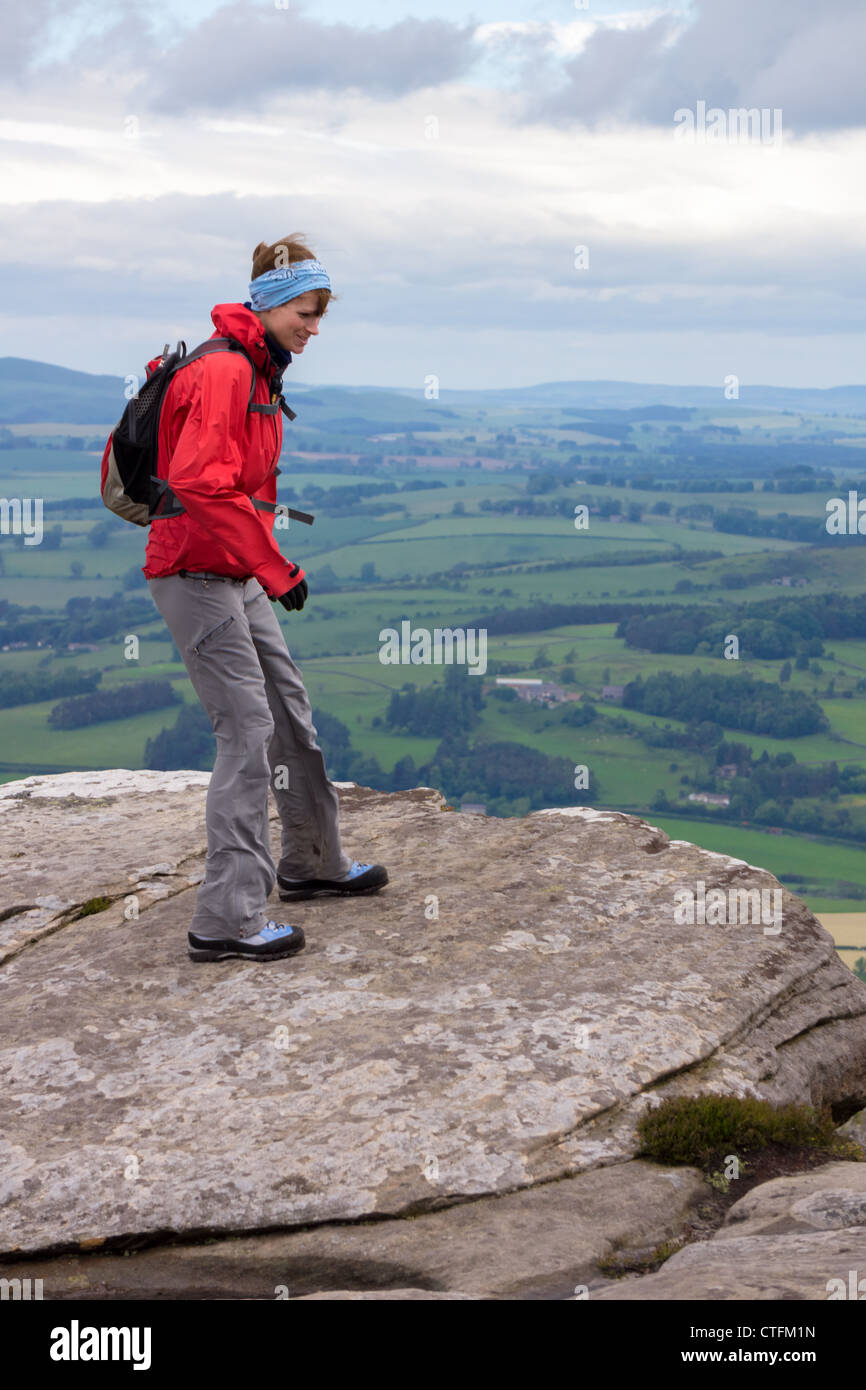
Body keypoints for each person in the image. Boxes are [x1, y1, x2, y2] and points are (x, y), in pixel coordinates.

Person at [144, 234, 387, 963]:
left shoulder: (259, 368)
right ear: (275, 305)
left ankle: (311, 863)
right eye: (307, 313)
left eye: (320, 315)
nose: (315, 327)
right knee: (246, 730)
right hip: (192, 571)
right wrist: (275, 568)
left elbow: (241, 489)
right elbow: (198, 484)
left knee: (288, 712)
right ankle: (226, 919)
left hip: (233, 569)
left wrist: (265, 564)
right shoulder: (224, 372)